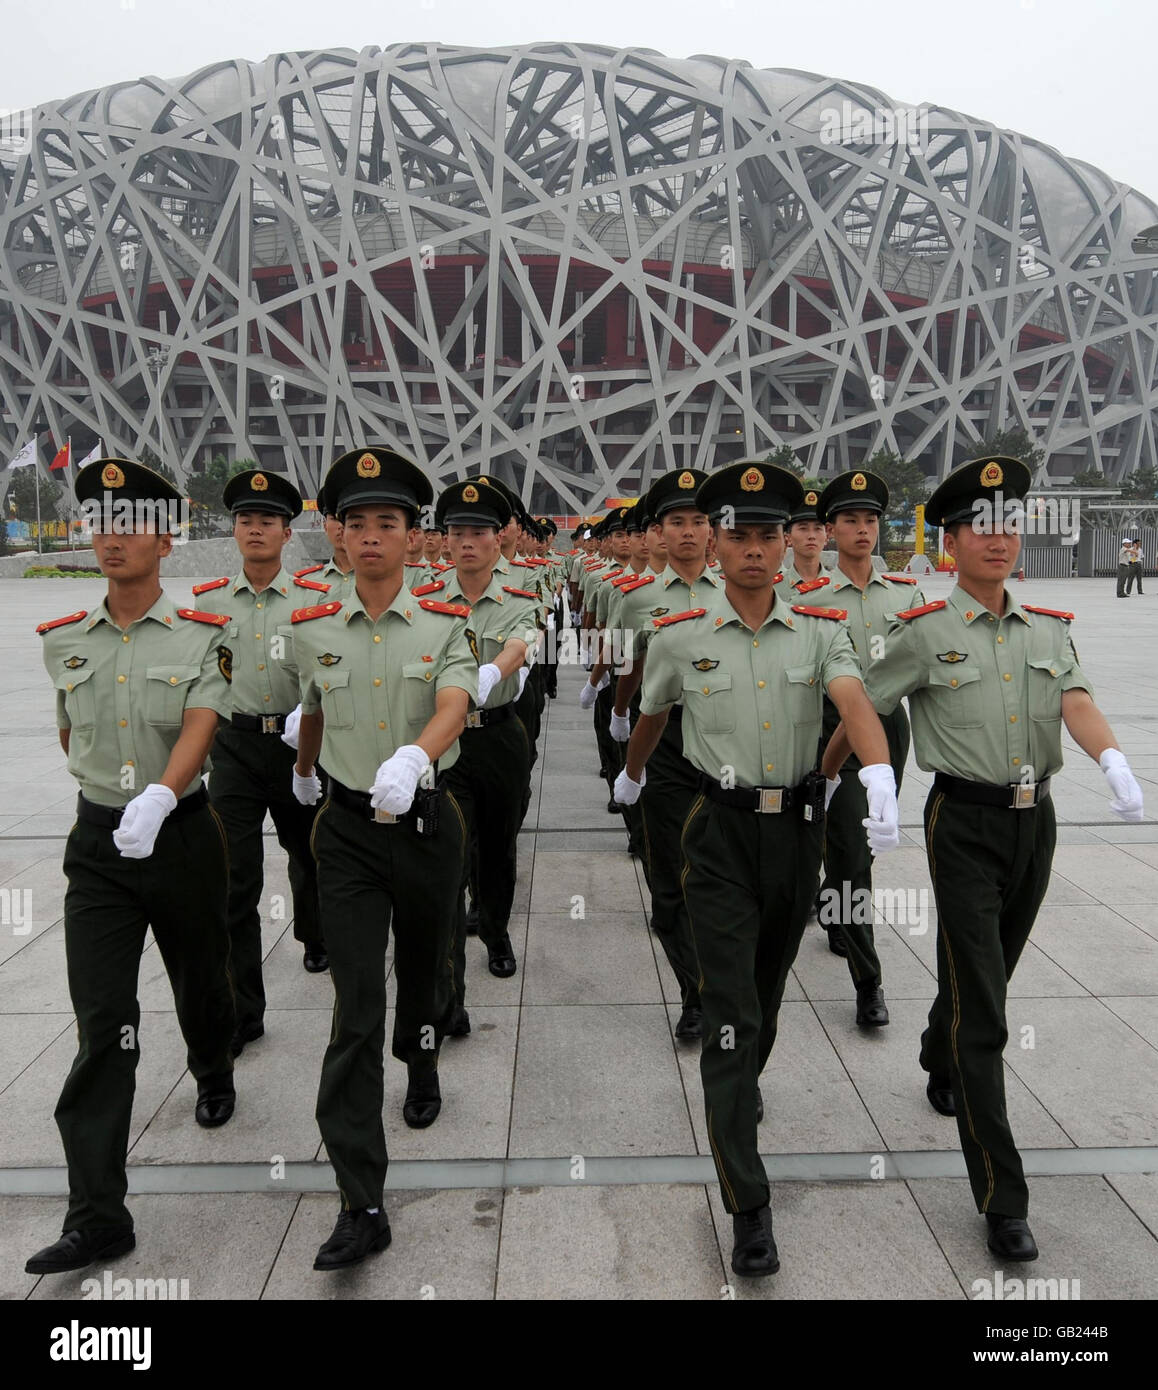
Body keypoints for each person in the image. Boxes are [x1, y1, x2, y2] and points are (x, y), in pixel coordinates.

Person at [822, 455, 1145, 1262]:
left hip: (1036, 823)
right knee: (989, 1012)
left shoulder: (1047, 630)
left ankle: (940, 1046)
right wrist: (837, 776)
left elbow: (1075, 700)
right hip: (960, 821)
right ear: (952, 541)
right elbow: (864, 697)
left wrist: (1111, 759)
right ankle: (1003, 1197)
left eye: (1009, 526)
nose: (998, 539)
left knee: (987, 971)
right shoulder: (925, 632)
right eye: (981, 528)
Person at [614, 459, 899, 1277]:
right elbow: (653, 711)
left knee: (767, 998)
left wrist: (872, 773)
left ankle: (740, 1077)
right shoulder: (679, 635)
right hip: (718, 832)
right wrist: (633, 776)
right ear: (713, 537)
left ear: (782, 545)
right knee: (733, 1008)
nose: (751, 549)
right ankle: (748, 1200)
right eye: (735, 534)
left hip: (796, 835)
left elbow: (852, 700)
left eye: (767, 535)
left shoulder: (820, 629)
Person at [25, 458, 236, 1276]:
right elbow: (71, 736)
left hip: (179, 833)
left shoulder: (202, 637)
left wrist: (158, 794)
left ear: (166, 535)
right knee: (103, 1023)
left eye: (128, 524)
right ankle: (97, 1214)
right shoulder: (64, 642)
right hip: (99, 851)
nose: (108, 539)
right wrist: (112, 802)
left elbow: (200, 725)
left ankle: (213, 1063)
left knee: (201, 978)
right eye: (98, 524)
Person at [289, 446, 476, 1271]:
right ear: (337, 534)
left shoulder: (444, 624)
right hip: (350, 835)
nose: (371, 537)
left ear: (411, 537)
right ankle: (361, 1200)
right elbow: (312, 707)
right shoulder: (312, 628)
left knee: (428, 970)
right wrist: (302, 771)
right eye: (357, 523)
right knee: (355, 1002)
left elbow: (455, 704)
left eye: (387, 524)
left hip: (428, 823)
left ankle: (424, 1058)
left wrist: (414, 758)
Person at [194, 470, 329, 1064]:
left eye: (267, 521)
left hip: (298, 745)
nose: (255, 530)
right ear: (235, 529)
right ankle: (242, 1012)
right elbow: (196, 683)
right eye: (246, 521)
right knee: (233, 880)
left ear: (285, 530)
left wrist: (312, 729)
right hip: (235, 749)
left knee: (313, 856)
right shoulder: (207, 602)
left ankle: (319, 935)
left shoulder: (313, 600)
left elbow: (328, 674)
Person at [792, 470, 925, 1021]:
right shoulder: (806, 596)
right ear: (830, 529)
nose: (863, 529)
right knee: (852, 852)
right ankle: (869, 981)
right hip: (828, 728)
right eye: (850, 520)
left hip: (888, 731)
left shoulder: (907, 593)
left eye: (870, 520)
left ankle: (836, 905)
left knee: (862, 846)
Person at [604, 469, 720, 1038]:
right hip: (667, 746)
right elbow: (629, 665)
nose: (690, 531)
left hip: (727, 747)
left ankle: (720, 978)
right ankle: (693, 992)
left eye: (700, 520)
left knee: (718, 878)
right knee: (671, 875)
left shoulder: (742, 593)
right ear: (660, 531)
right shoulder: (637, 599)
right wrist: (622, 718)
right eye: (678, 521)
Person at [436, 479, 541, 1005]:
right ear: (447, 541)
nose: (469, 541)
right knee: (449, 848)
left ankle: (496, 932)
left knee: (498, 844)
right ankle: (448, 966)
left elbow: (522, 642)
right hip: (445, 741)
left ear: (499, 538)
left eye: (479, 531)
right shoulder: (426, 599)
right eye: (459, 532)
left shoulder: (519, 595)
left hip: (498, 733)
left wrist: (491, 672)